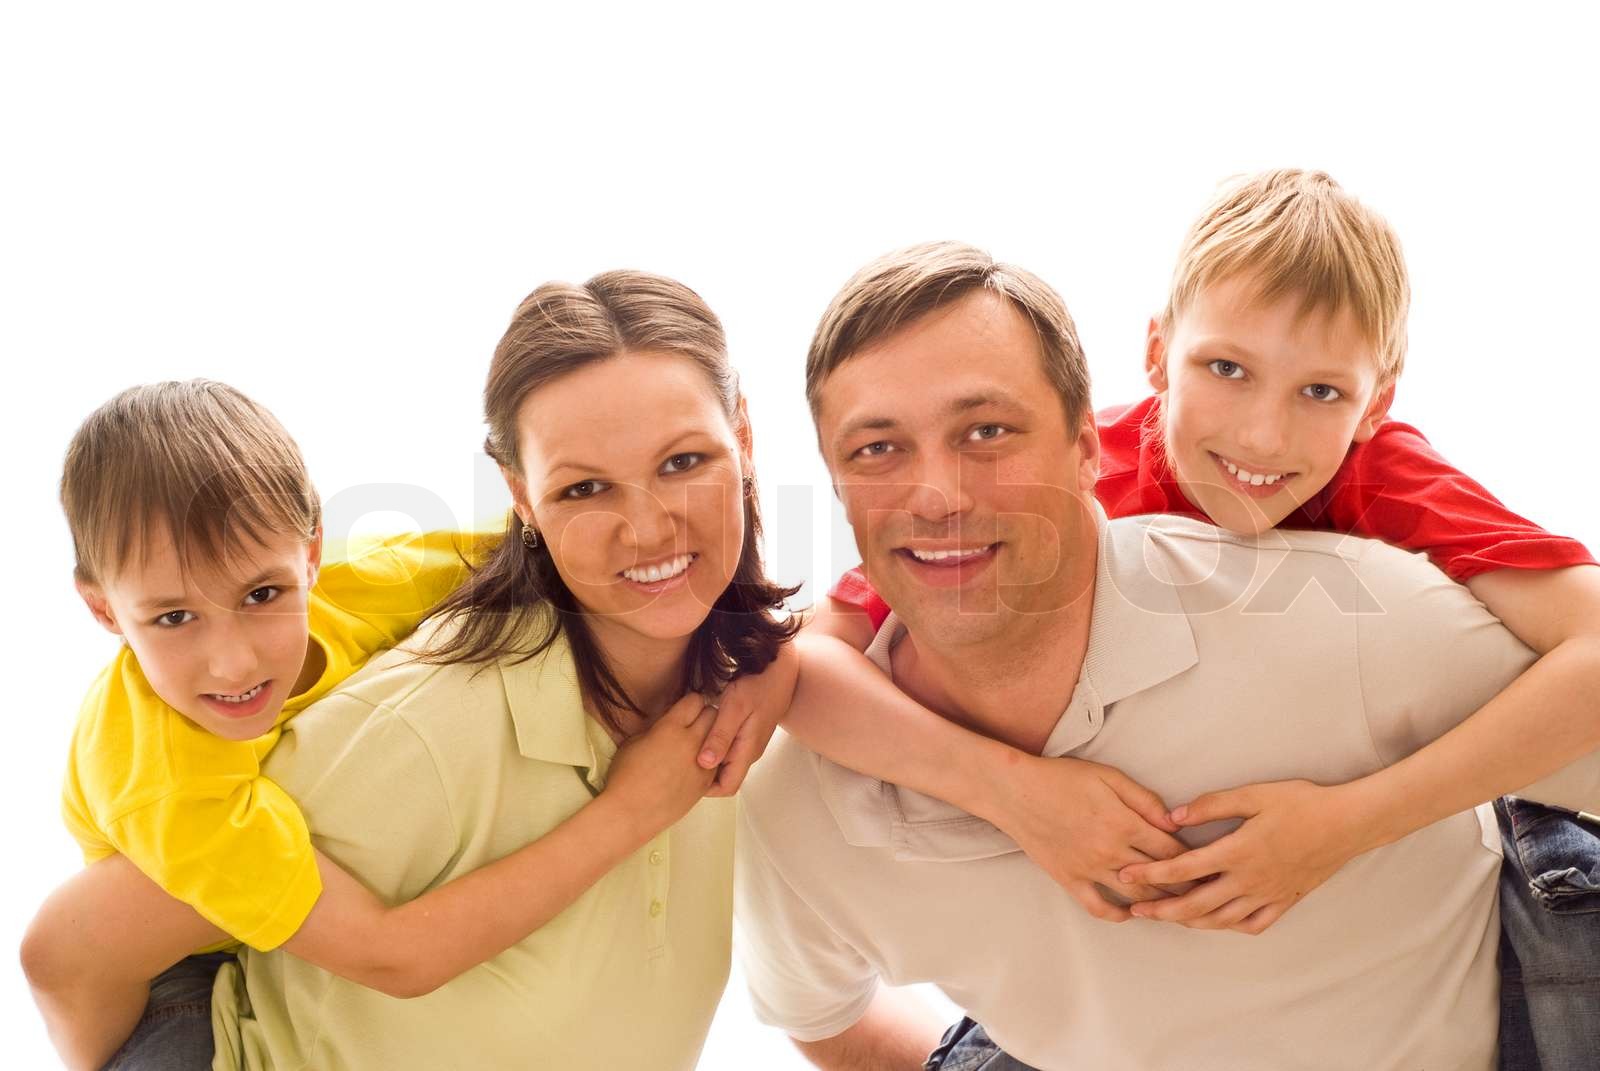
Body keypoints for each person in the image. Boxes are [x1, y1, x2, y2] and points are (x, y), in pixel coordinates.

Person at [733, 241, 1600, 1070]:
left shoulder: (1363, 571)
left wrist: (1352, 820)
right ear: (1158, 358)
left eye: (988, 431)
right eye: (877, 448)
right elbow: (809, 666)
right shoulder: (808, 794)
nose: (1263, 435)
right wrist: (1012, 790)